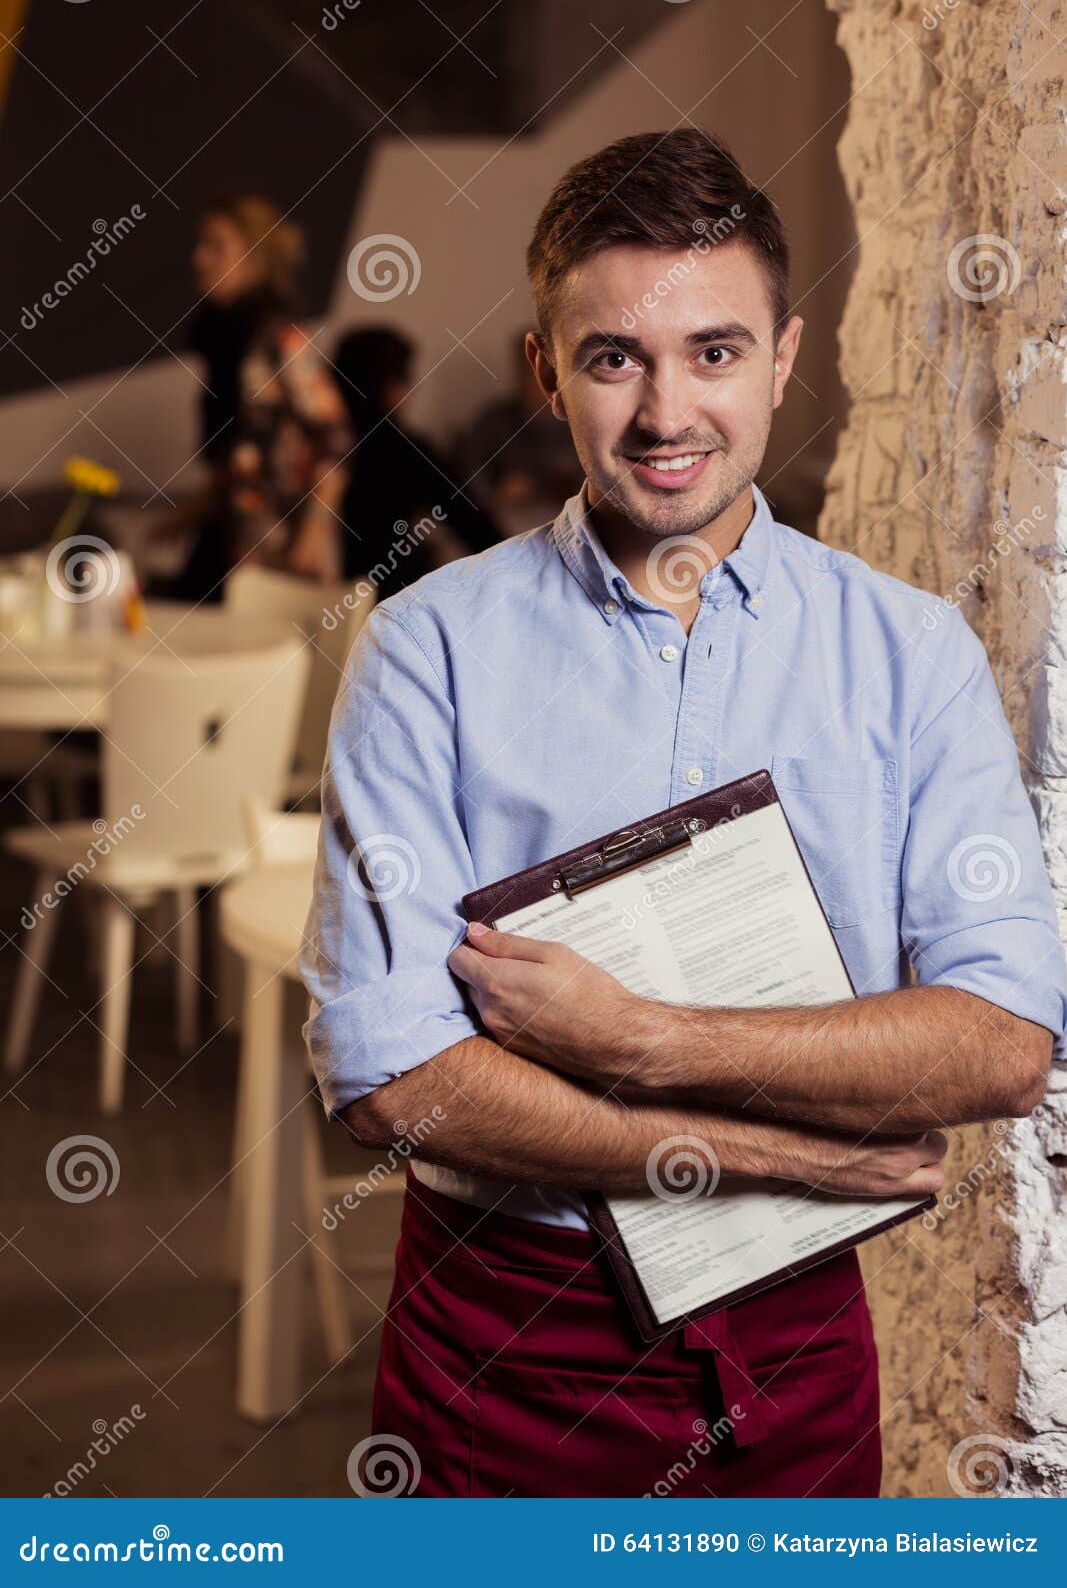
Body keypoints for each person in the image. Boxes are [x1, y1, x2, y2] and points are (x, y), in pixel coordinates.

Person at [299, 130, 1065, 1498]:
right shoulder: (426, 649)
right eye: (612, 359)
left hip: (796, 1351)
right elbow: (392, 1074)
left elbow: (1001, 1037)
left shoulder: (908, 652)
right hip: (503, 1343)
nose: (665, 413)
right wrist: (768, 1146)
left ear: (780, 357)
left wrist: (638, 1041)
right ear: (545, 369)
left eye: (711, 352)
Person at [159, 194, 349, 601]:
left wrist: (312, 537)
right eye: (201, 244)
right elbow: (239, 454)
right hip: (232, 537)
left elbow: (335, 440)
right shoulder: (224, 341)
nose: (199, 257)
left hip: (282, 549)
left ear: (254, 258)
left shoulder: (277, 337)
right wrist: (187, 516)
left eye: (216, 246)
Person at [292, 327, 501, 601]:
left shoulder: (305, 445)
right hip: (383, 607)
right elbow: (475, 526)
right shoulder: (406, 451)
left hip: (294, 604)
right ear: (393, 387)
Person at [451, 328, 585, 534]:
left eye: (548, 367)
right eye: (528, 368)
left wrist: (544, 487)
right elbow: (470, 477)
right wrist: (495, 495)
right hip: (505, 526)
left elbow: (593, 488)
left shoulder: (579, 422)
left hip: (566, 524)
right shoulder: (495, 420)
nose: (538, 377)